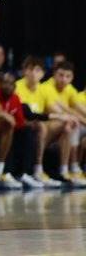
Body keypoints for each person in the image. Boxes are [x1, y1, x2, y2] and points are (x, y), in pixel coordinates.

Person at [18, 57, 85, 187]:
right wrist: (64, 116)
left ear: (42, 73)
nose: (33, 74)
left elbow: (61, 109)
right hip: (25, 128)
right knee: (44, 125)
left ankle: (66, 171)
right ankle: (38, 170)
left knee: (68, 124)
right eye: (30, 69)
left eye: (37, 70)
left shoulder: (43, 89)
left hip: (41, 128)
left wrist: (68, 118)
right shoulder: (21, 87)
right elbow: (59, 110)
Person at [0, 71, 41, 188]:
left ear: (14, 86)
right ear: (0, 84)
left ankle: (23, 174)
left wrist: (29, 124)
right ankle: (5, 173)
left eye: (10, 84)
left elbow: (20, 121)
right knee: (8, 131)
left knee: (28, 135)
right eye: (5, 83)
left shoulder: (15, 98)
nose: (7, 86)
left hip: (11, 128)